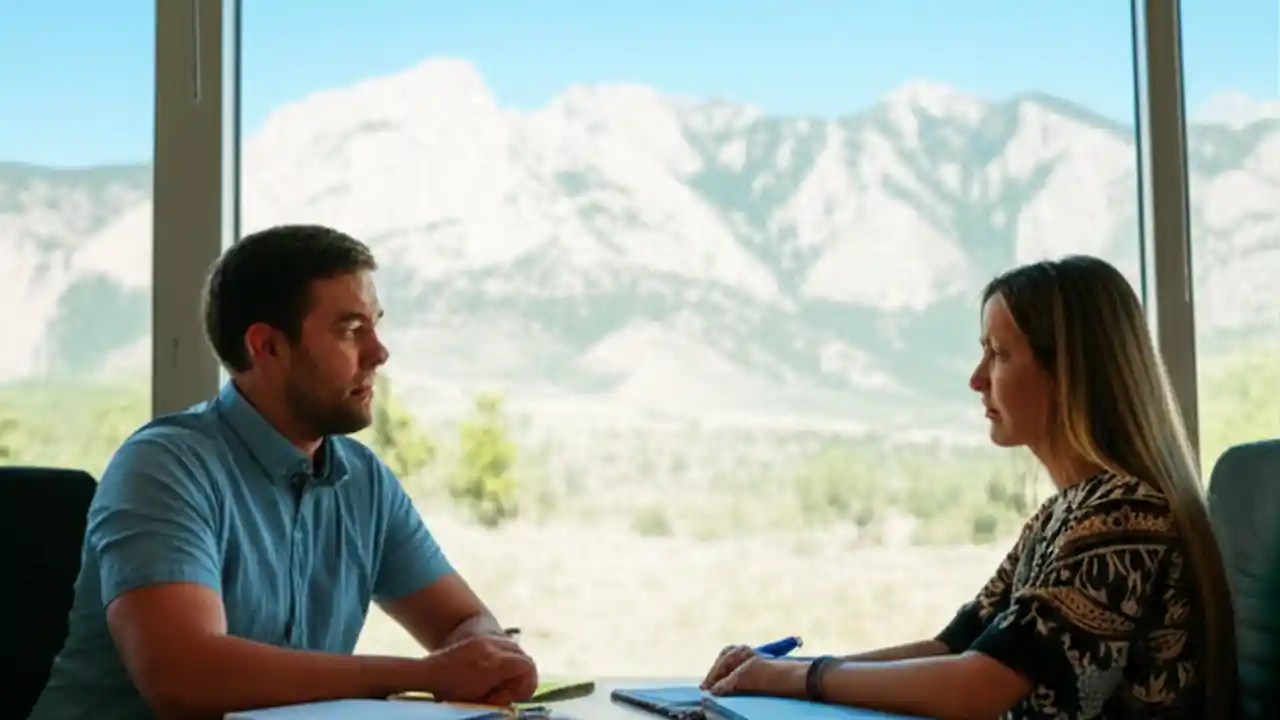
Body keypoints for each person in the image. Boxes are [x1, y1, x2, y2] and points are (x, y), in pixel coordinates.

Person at [30, 225, 538, 719]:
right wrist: (422, 675)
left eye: (376, 325)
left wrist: (485, 653)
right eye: (351, 330)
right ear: (267, 347)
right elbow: (185, 678)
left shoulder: (363, 479)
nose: (379, 353)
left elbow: (464, 620)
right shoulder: (165, 466)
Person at [700, 256, 1238, 719]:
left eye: (999, 354)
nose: (977, 379)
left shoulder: (1123, 515)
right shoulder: (1066, 513)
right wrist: (779, 670)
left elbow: (976, 686)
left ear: (1067, 373)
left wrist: (798, 680)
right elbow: (954, 646)